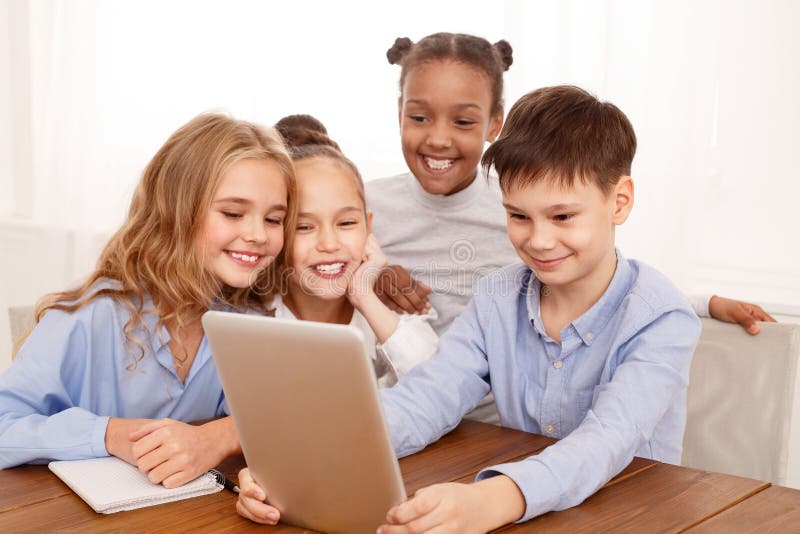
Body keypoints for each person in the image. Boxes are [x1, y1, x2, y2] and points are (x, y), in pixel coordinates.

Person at [236, 85, 702, 531]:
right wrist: (306, 459)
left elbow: (606, 441)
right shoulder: (499, 297)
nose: (538, 240)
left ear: (619, 201)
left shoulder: (660, 319)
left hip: (636, 515)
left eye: (562, 216)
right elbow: (429, 394)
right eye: (518, 215)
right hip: (531, 516)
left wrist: (490, 500)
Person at [368, 32, 775, 338]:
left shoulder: (522, 209)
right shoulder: (366, 207)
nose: (438, 138)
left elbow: (602, 281)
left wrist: (705, 303)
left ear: (495, 123)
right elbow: (316, 281)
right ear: (398, 112)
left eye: (463, 121)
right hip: (405, 406)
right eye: (419, 117)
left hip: (495, 420)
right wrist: (372, 278)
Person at [0, 113, 295, 489]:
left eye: (273, 220)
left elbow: (280, 417)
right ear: (177, 211)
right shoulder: (91, 316)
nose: (257, 234)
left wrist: (217, 438)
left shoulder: (245, 322)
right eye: (233, 213)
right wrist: (109, 434)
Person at [273, 117, 438, 387]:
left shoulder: (390, 306)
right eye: (304, 227)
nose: (329, 243)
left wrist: (364, 297)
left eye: (347, 223)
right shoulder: (253, 313)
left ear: (368, 228)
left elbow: (440, 383)